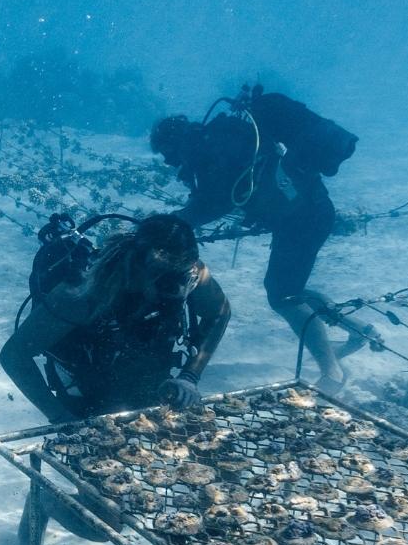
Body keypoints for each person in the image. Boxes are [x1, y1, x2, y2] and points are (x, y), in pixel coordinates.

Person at [0, 214, 230, 542]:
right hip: (86, 397)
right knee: (103, 526)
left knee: (196, 484)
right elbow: (14, 355)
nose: (176, 288)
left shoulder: (190, 273)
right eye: (163, 278)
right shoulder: (83, 292)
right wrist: (61, 417)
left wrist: (190, 376)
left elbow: (220, 312)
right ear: (138, 267)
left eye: (181, 277)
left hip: (147, 388)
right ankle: (44, 499)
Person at [151, 86, 364, 391]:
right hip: (310, 212)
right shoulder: (223, 138)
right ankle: (359, 330)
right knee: (290, 287)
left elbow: (214, 203)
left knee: (283, 296)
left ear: (176, 143)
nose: (170, 163)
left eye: (167, 154)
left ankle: (332, 373)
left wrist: (169, 223)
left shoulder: (213, 151)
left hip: (303, 220)